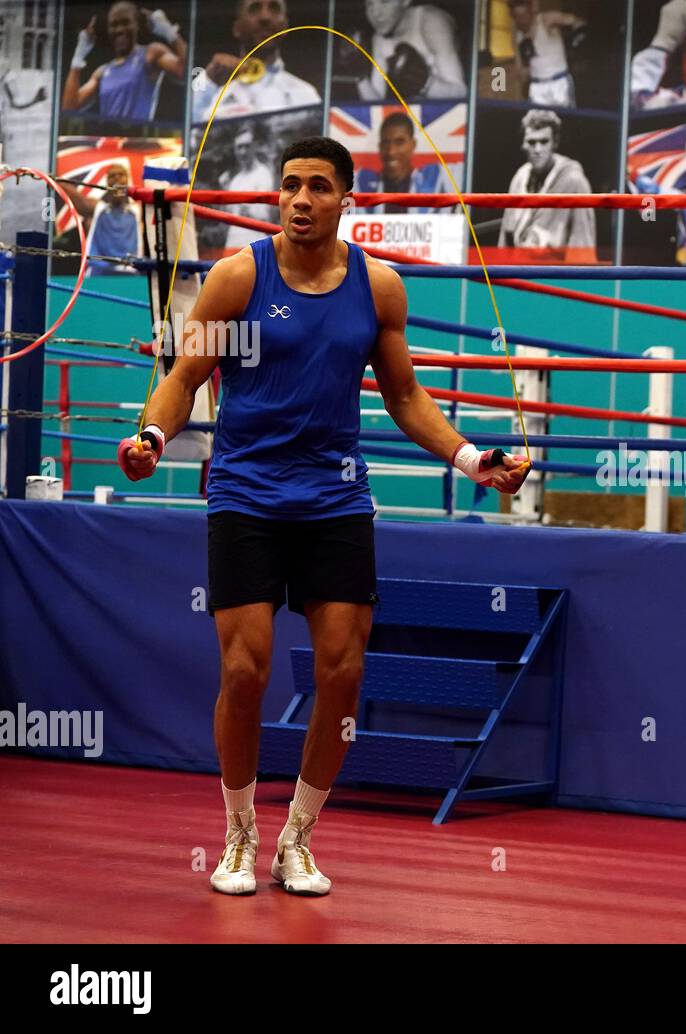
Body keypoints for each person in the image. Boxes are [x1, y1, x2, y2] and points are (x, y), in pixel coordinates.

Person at [116, 136, 529, 896]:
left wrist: (474, 461)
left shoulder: (379, 289)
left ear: (346, 199)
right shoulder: (239, 278)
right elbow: (185, 376)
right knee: (246, 671)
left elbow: (405, 397)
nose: (300, 199)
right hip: (245, 491)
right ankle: (239, 836)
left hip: (335, 497)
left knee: (342, 673)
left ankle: (297, 839)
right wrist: (151, 434)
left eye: (317, 187)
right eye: (290, 186)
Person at [190, 0, 321, 123]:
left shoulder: (305, 95)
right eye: (254, 9)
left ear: (286, 26)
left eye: (274, 8)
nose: (265, 17)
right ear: (237, 28)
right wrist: (209, 84)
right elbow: (188, 137)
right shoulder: (208, 84)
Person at [61, 2, 188, 122]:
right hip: (110, 141)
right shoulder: (102, 72)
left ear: (136, 25)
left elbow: (186, 74)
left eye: (125, 22)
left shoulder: (151, 53)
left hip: (138, 140)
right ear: (108, 29)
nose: (119, 29)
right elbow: (69, 110)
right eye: (114, 25)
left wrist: (169, 32)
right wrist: (78, 56)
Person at [499, 109, 594, 252]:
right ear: (523, 144)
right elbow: (505, 238)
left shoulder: (574, 181)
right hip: (519, 269)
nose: (537, 149)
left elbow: (583, 246)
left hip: (553, 271)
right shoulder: (520, 178)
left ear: (554, 143)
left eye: (544, 142)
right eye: (532, 142)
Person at [349, 0, 466, 102]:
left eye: (385, 2)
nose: (376, 13)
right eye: (370, 4)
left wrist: (426, 85)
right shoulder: (380, 38)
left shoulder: (431, 22)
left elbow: (461, 93)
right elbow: (376, 104)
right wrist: (361, 78)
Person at [353, 110, 452, 214]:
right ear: (380, 146)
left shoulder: (435, 181)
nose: (391, 151)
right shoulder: (361, 184)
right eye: (386, 143)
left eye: (399, 142)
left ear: (413, 144)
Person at [64, 163, 144, 275]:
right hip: (99, 274)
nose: (117, 178)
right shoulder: (96, 208)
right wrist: (56, 181)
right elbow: (74, 196)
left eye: (121, 174)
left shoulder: (138, 211)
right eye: (112, 176)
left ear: (127, 180)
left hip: (130, 273)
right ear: (107, 182)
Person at [508, 0, 584, 109]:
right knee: (537, 124)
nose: (522, 20)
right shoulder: (518, 36)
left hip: (559, 83)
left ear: (530, 12)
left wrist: (577, 35)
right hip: (537, 88)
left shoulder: (546, 20)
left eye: (523, 15)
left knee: (565, 122)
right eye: (518, 17)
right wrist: (527, 64)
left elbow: (575, 21)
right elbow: (520, 72)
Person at [218, 126, 277, 252]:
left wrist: (243, 206)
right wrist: (223, 191)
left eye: (247, 146)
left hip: (253, 244)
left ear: (254, 147)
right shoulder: (235, 180)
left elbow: (264, 216)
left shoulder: (263, 174)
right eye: (239, 147)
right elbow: (227, 215)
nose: (243, 152)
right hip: (233, 243)